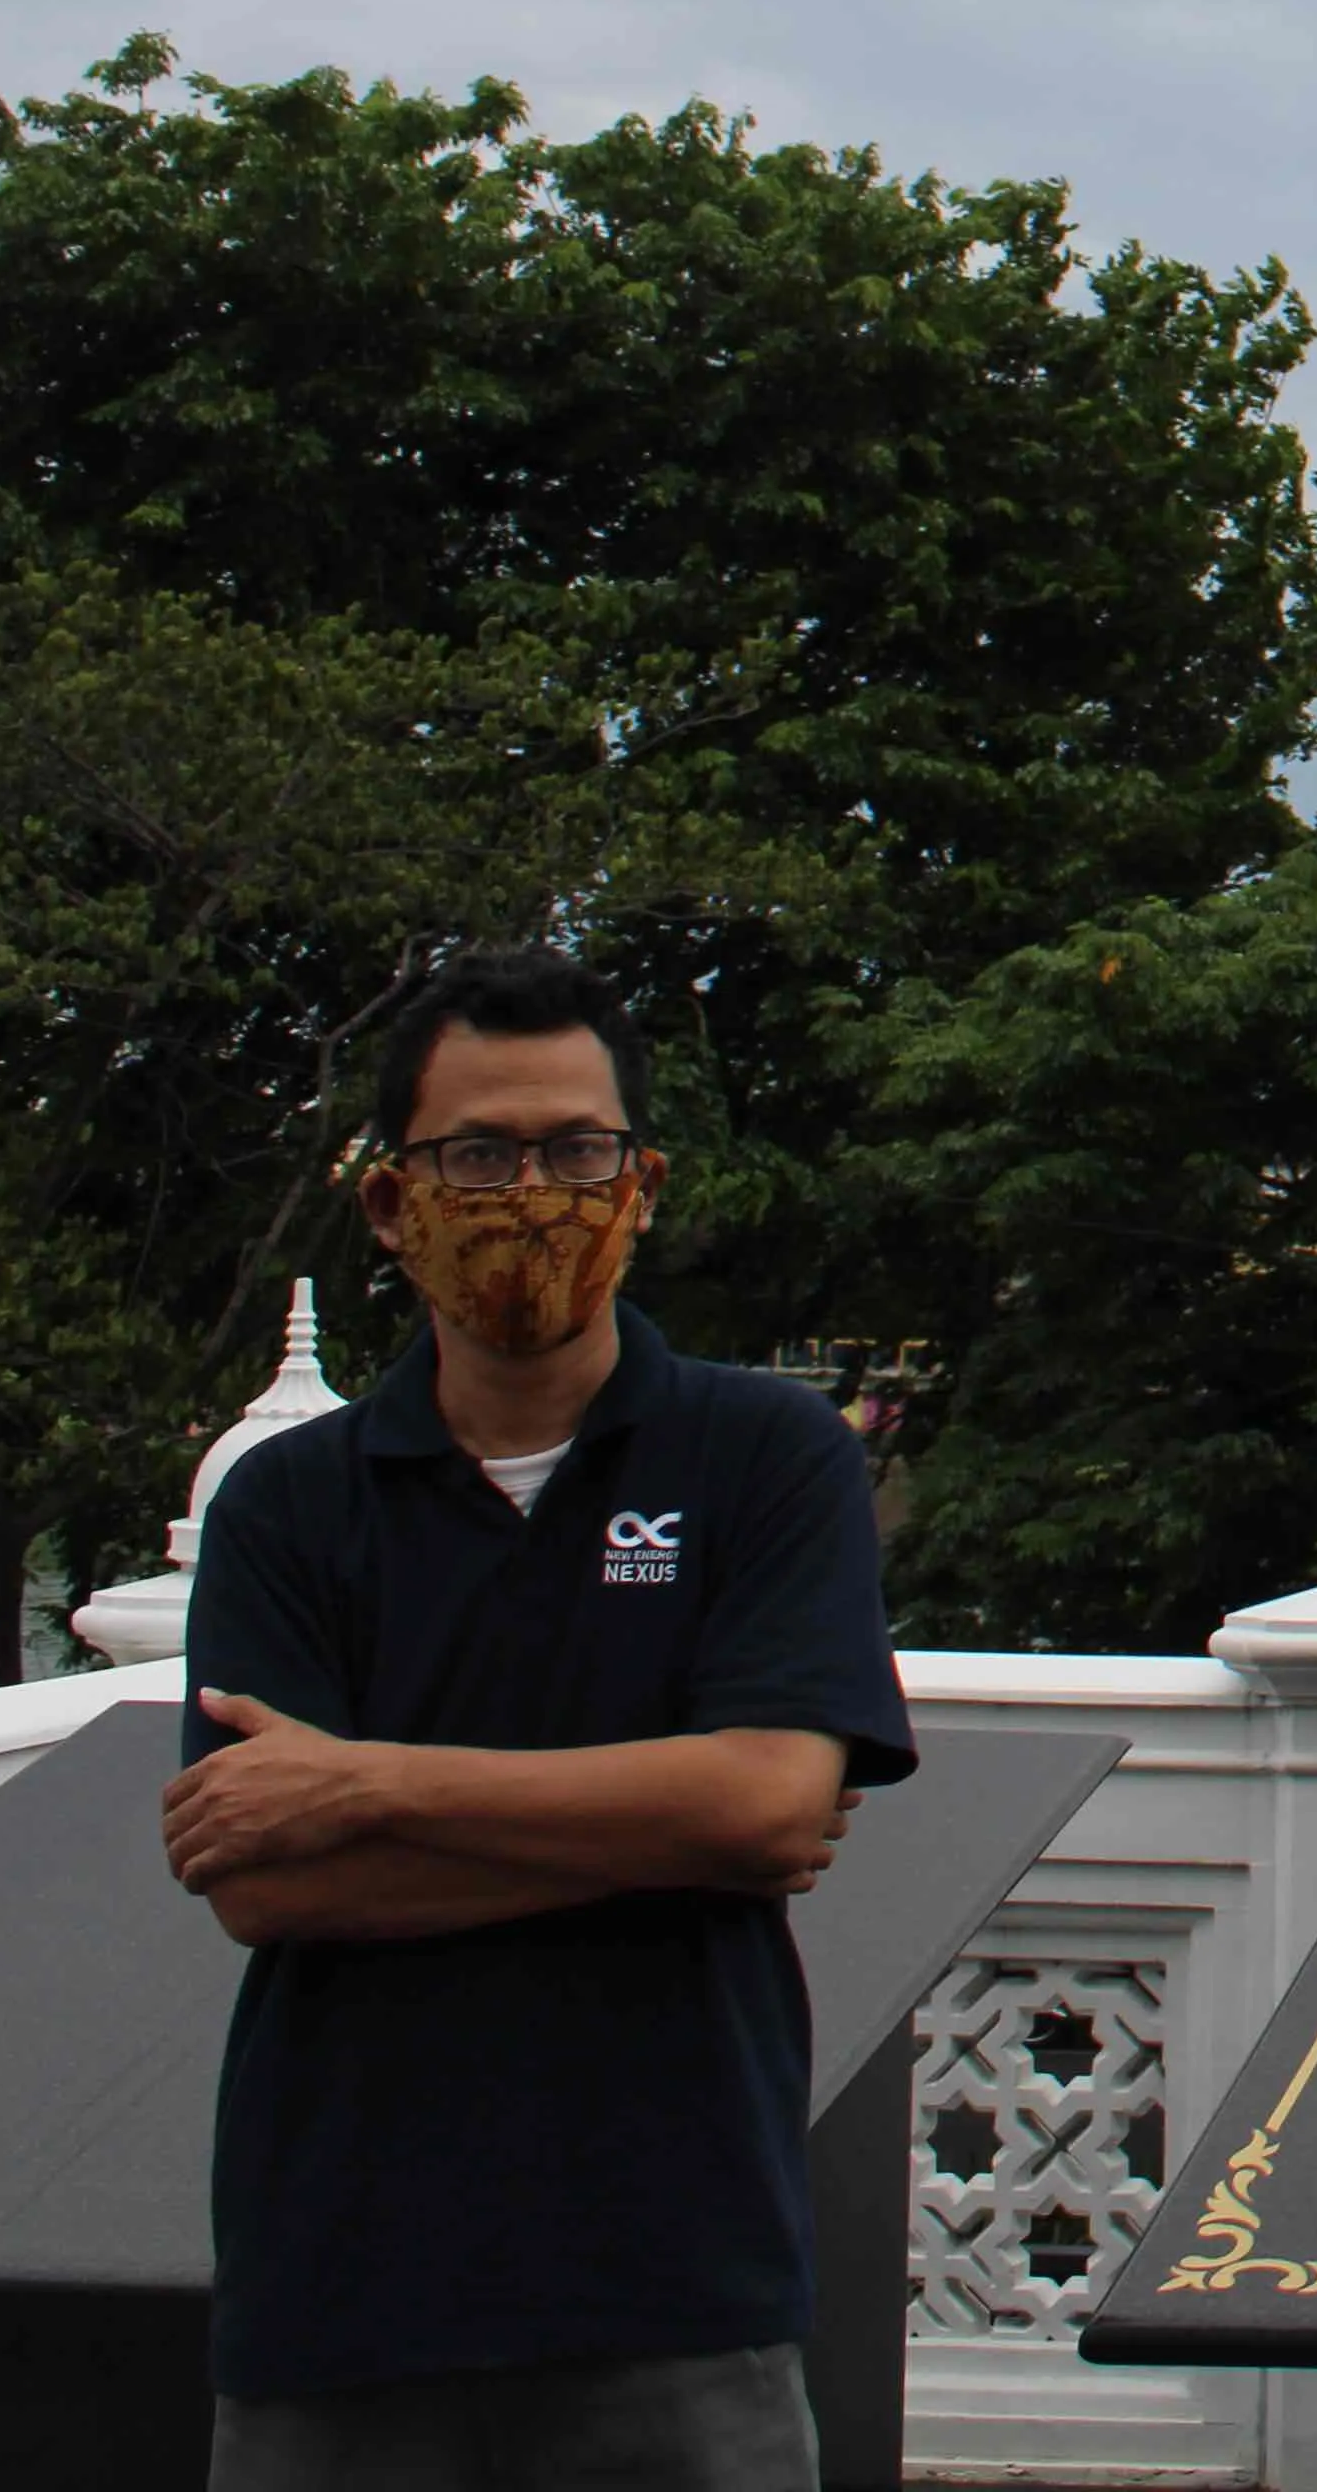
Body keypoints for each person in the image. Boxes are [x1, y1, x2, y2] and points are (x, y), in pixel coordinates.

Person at [160, 943, 915, 2491]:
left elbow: (769, 1806)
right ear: (390, 1201)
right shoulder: (290, 1503)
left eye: (577, 1150)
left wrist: (365, 1782)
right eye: (479, 1155)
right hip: (342, 2287)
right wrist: (678, 1826)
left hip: (677, 2275)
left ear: (642, 1183)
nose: (532, 1193)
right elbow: (267, 1882)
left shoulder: (764, 1458)